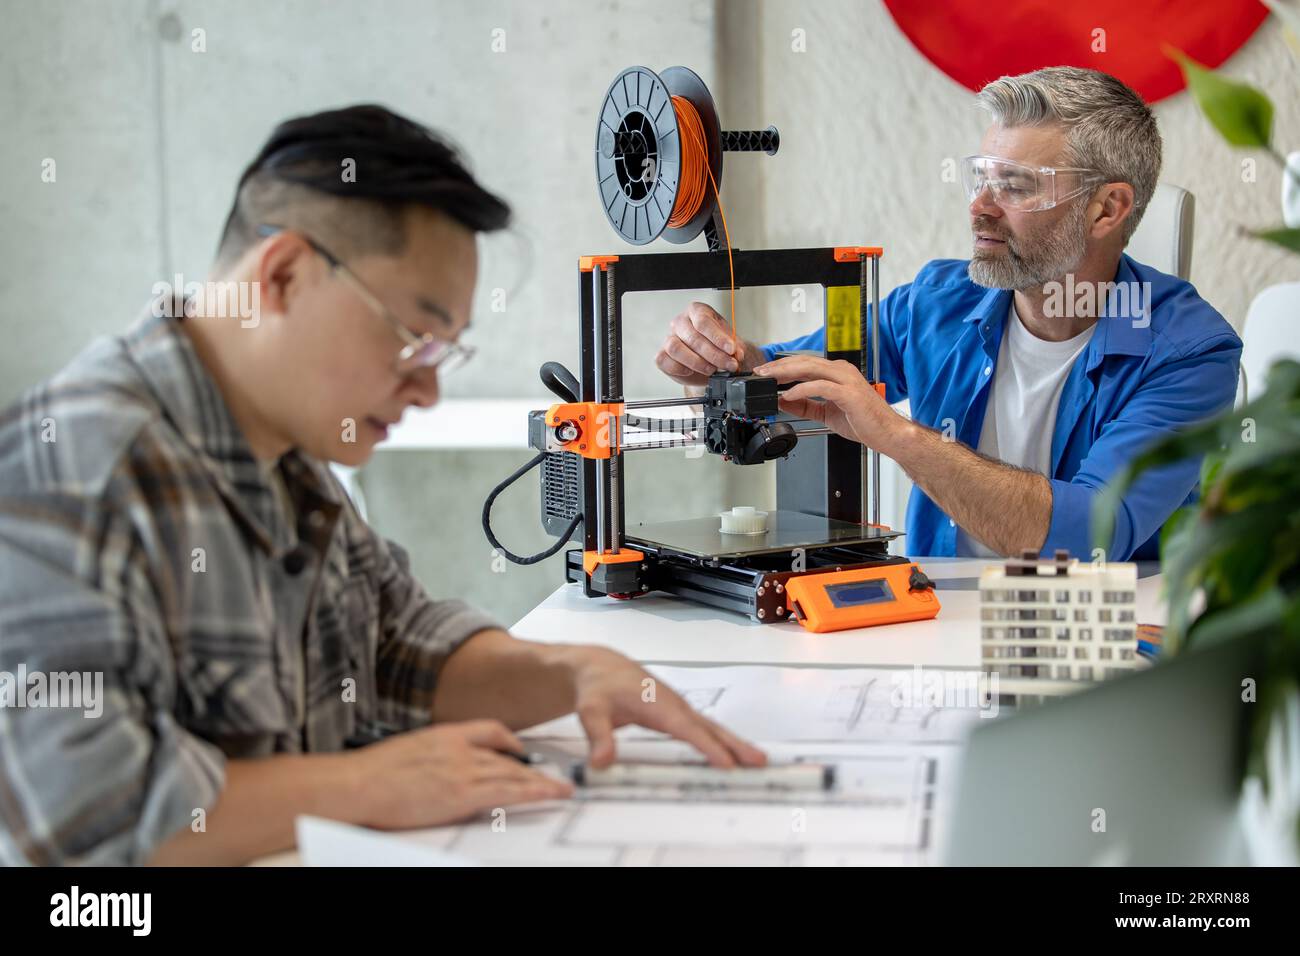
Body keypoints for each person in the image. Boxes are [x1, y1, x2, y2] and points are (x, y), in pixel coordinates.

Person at [0, 105, 764, 866]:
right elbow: (91, 814)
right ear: (284, 275)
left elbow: (400, 652)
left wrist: (574, 670)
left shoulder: (287, 452)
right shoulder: (74, 469)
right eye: (413, 338)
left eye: (444, 354)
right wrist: (363, 786)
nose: (426, 393)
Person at [655, 67, 1240, 561]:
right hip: (937, 622)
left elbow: (1084, 538)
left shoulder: (1190, 352)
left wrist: (897, 436)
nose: (979, 207)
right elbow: (789, 368)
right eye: (981, 176)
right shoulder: (937, 301)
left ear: (1106, 209)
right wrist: (719, 358)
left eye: (1014, 185)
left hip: (1099, 646)